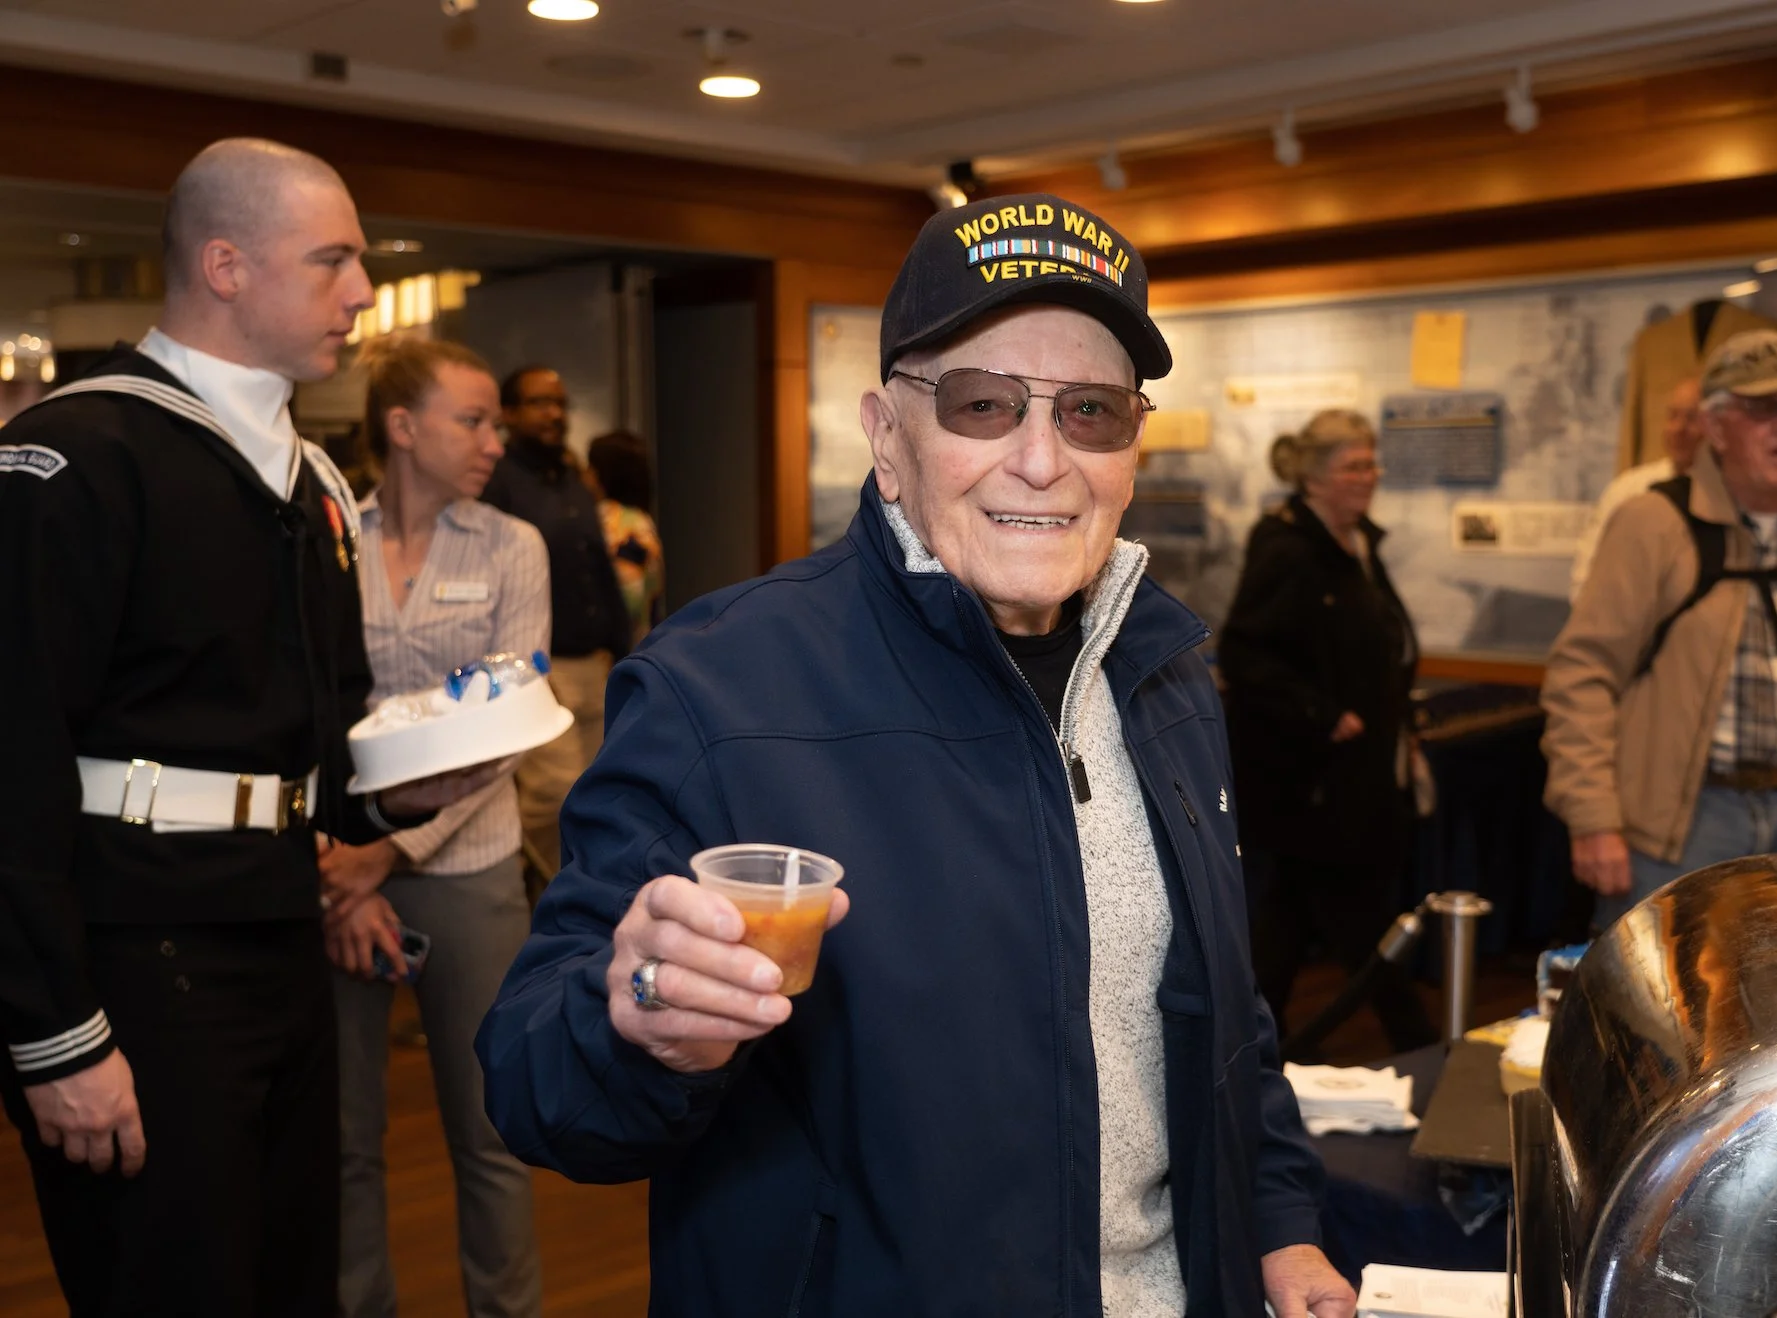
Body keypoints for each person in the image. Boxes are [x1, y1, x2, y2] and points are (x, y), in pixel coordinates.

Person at [478, 193, 1355, 1318]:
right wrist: (639, 1021)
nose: (1041, 461)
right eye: (982, 405)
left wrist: (1279, 1227)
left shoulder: (1168, 671)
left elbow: (1227, 1011)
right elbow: (535, 1083)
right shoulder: (721, 689)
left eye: (1090, 411)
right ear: (888, 437)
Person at [0, 138, 492, 1317]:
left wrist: (397, 797)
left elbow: (317, 742)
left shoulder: (311, 478)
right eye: (333, 260)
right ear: (225, 264)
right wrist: (52, 1037)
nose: (365, 292)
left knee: (289, 1285)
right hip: (133, 957)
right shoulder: (81, 454)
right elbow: (7, 763)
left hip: (282, 945)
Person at [322, 338, 547, 1317]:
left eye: (497, 420)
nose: (495, 440)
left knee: (489, 1132)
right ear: (403, 428)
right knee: (342, 1137)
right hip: (335, 871)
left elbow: (508, 724)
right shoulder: (330, 538)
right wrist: (336, 867)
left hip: (468, 868)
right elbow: (309, 709)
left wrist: (382, 852)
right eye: (474, 419)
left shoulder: (511, 546)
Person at [1542, 330, 1777, 930]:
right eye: (1763, 409)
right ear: (1716, 427)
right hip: (1677, 824)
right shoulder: (1653, 524)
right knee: (1665, 1012)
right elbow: (1582, 676)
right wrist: (1593, 819)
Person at [1218, 412, 1438, 1054]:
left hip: (1358, 776)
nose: (1368, 478)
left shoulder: (1358, 542)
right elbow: (1246, 654)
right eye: (1353, 466)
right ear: (1313, 477)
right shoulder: (1287, 546)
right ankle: (1422, 1048)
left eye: (1371, 464)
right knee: (1356, 918)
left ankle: (1253, 1053)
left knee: (1283, 926)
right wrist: (1321, 712)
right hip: (1308, 783)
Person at [481, 366, 629, 884]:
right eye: (541, 403)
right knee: (556, 797)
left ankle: (582, 908)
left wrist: (620, 648)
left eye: (561, 403)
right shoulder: (498, 482)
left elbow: (598, 567)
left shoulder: (571, 478)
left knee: (596, 794)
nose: (555, 414)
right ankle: (550, 901)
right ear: (510, 414)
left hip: (594, 666)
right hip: (541, 670)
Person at [1569, 376, 1703, 598]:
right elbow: (1586, 573)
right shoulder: (1628, 489)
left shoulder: (1729, 495)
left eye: (1692, 418)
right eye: (1672, 416)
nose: (1679, 428)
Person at [587, 428, 666, 644]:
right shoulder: (641, 520)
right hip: (644, 639)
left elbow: (630, 596)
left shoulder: (612, 522)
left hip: (619, 647)